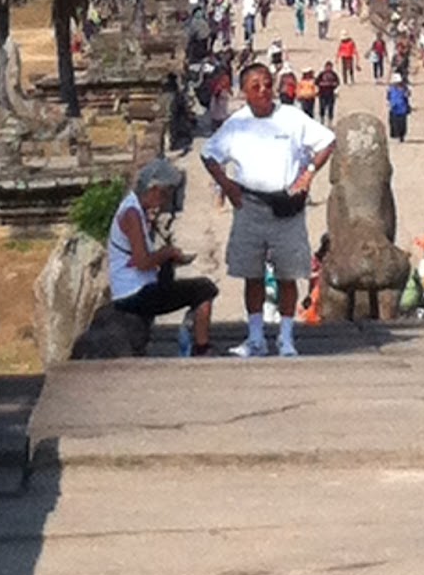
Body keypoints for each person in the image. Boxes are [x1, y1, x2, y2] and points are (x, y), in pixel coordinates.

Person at [202, 62, 335, 358]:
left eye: (266, 84)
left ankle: (286, 337)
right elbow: (209, 154)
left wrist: (308, 173)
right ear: (245, 92)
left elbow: (327, 141)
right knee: (252, 274)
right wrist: (227, 185)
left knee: (288, 274)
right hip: (249, 204)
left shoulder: (291, 117)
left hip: (287, 205)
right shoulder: (237, 123)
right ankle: (256, 337)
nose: (263, 91)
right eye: (255, 86)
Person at [107, 157, 218, 355]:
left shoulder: (138, 210)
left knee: (179, 278)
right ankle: (202, 347)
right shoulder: (131, 213)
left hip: (139, 286)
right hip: (133, 292)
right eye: (165, 194)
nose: (165, 200)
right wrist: (167, 252)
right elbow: (142, 261)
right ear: (154, 189)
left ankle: (193, 333)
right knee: (205, 289)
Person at [387, 72, 411, 141]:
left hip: (402, 108)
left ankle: (401, 135)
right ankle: (397, 134)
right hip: (395, 108)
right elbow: (388, 97)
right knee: (395, 123)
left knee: (402, 123)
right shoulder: (391, 89)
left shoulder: (404, 88)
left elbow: (408, 95)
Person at [316, 60, 340, 125]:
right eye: (327, 67)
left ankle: (330, 122)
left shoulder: (334, 74)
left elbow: (338, 82)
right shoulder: (321, 74)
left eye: (330, 67)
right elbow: (316, 82)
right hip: (322, 94)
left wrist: (332, 85)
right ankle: (322, 121)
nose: (328, 68)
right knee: (322, 108)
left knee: (330, 108)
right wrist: (322, 84)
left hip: (331, 94)